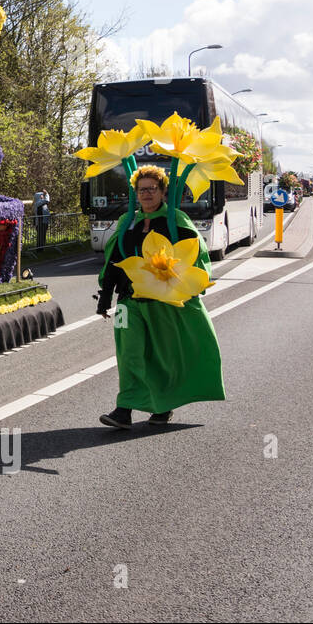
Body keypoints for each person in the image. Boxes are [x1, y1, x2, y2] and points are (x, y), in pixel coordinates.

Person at [96, 165, 225, 428]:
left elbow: (196, 257)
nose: (146, 194)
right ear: (135, 193)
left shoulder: (176, 220)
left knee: (162, 357)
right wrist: (104, 297)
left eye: (151, 189)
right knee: (129, 354)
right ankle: (124, 409)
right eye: (141, 190)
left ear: (163, 192)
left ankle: (163, 407)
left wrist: (192, 288)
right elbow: (114, 260)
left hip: (164, 302)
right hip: (129, 302)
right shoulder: (126, 222)